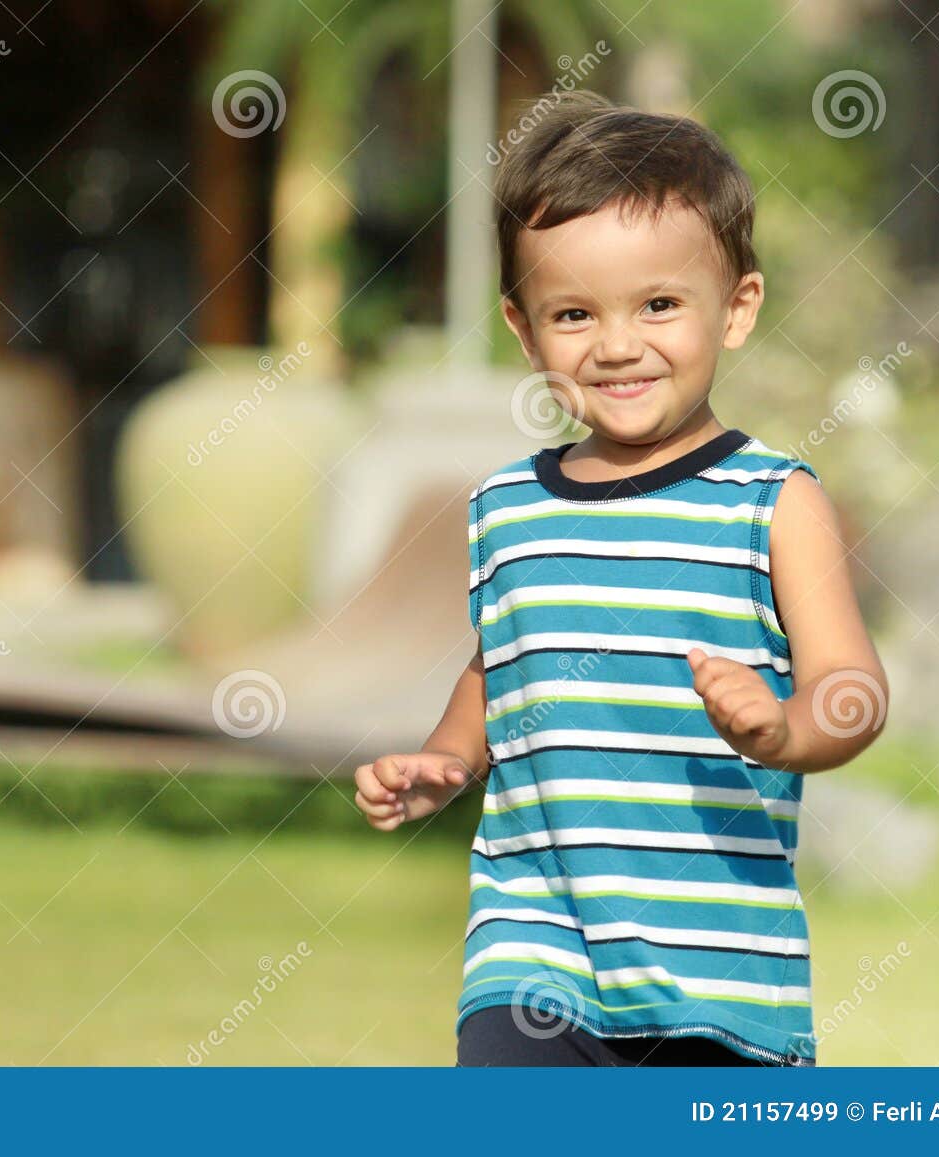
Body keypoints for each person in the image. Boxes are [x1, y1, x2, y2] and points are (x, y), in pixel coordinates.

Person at [353, 90, 889, 1067]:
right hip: (533, 948)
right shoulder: (507, 507)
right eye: (573, 312)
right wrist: (446, 756)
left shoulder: (772, 503)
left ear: (736, 309)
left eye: (658, 304)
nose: (614, 343)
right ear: (522, 328)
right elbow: (502, 662)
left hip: (716, 974)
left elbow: (852, 688)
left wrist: (786, 728)